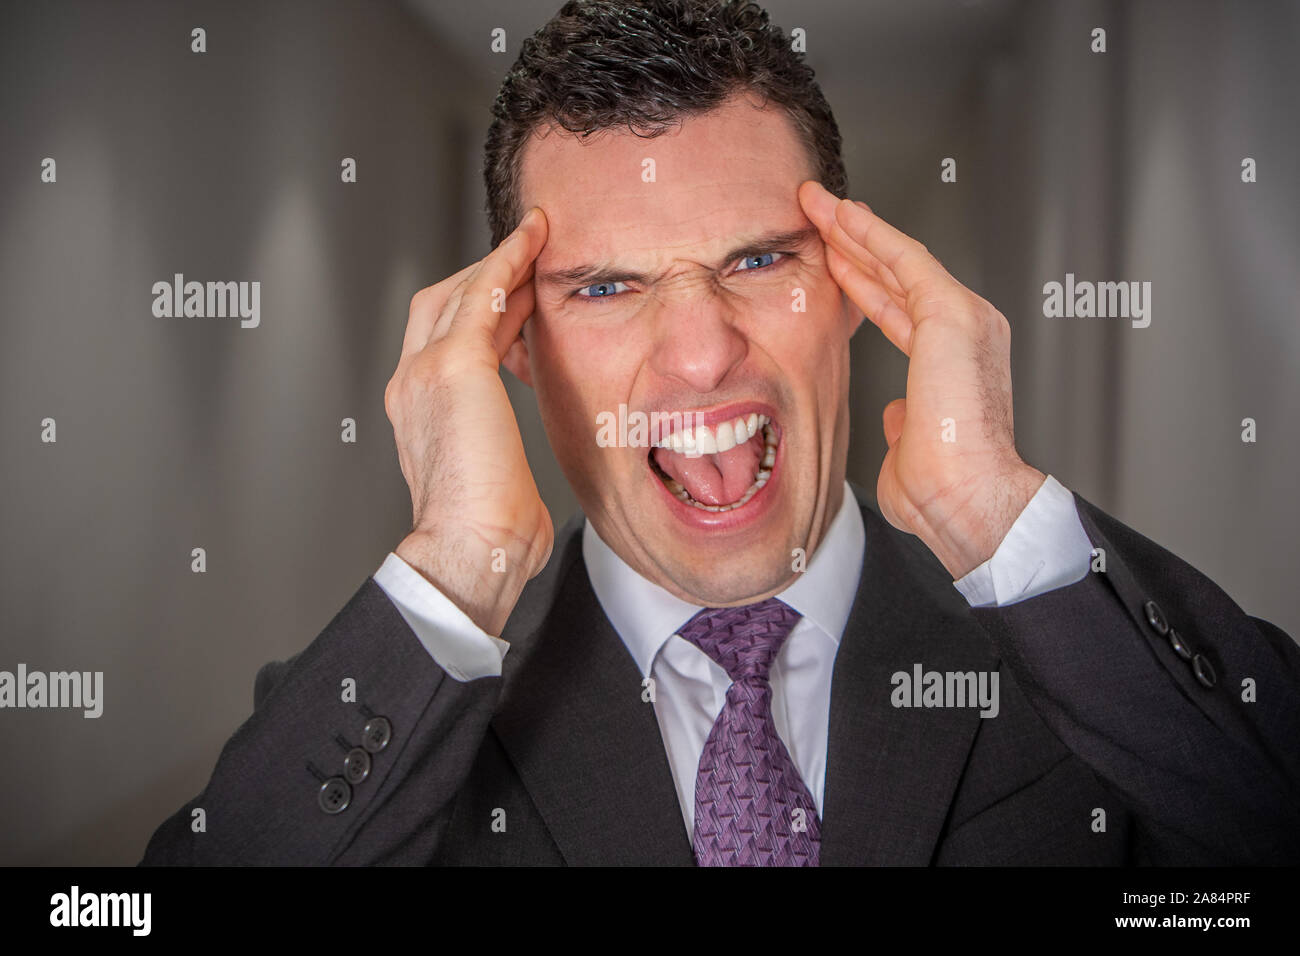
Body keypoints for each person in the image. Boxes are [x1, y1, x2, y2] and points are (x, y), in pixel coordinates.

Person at [141, 0, 1300, 866]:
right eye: (602, 287)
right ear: (514, 345)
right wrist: (458, 564)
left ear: (851, 284)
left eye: (757, 260)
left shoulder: (1073, 659)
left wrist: (992, 511)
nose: (699, 352)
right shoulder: (393, 712)